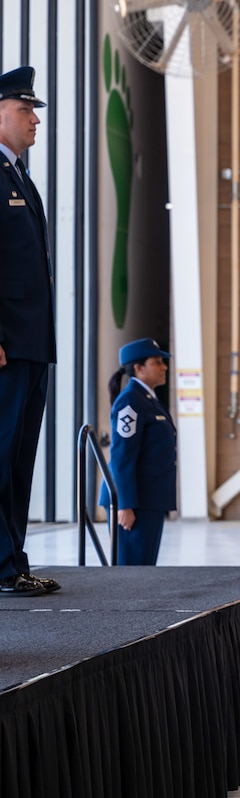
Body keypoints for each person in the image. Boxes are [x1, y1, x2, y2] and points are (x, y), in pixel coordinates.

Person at [0, 66, 58, 597]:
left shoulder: (20, 178)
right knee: (0, 456)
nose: (35, 118)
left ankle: (12, 563)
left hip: (31, 345)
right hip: (6, 346)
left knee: (19, 459)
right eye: (25, 109)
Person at [99, 338, 177, 565]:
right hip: (134, 502)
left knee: (144, 568)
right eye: (157, 362)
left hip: (148, 499)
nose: (164, 367)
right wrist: (124, 504)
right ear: (138, 368)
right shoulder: (130, 402)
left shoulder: (148, 399)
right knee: (132, 571)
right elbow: (122, 457)